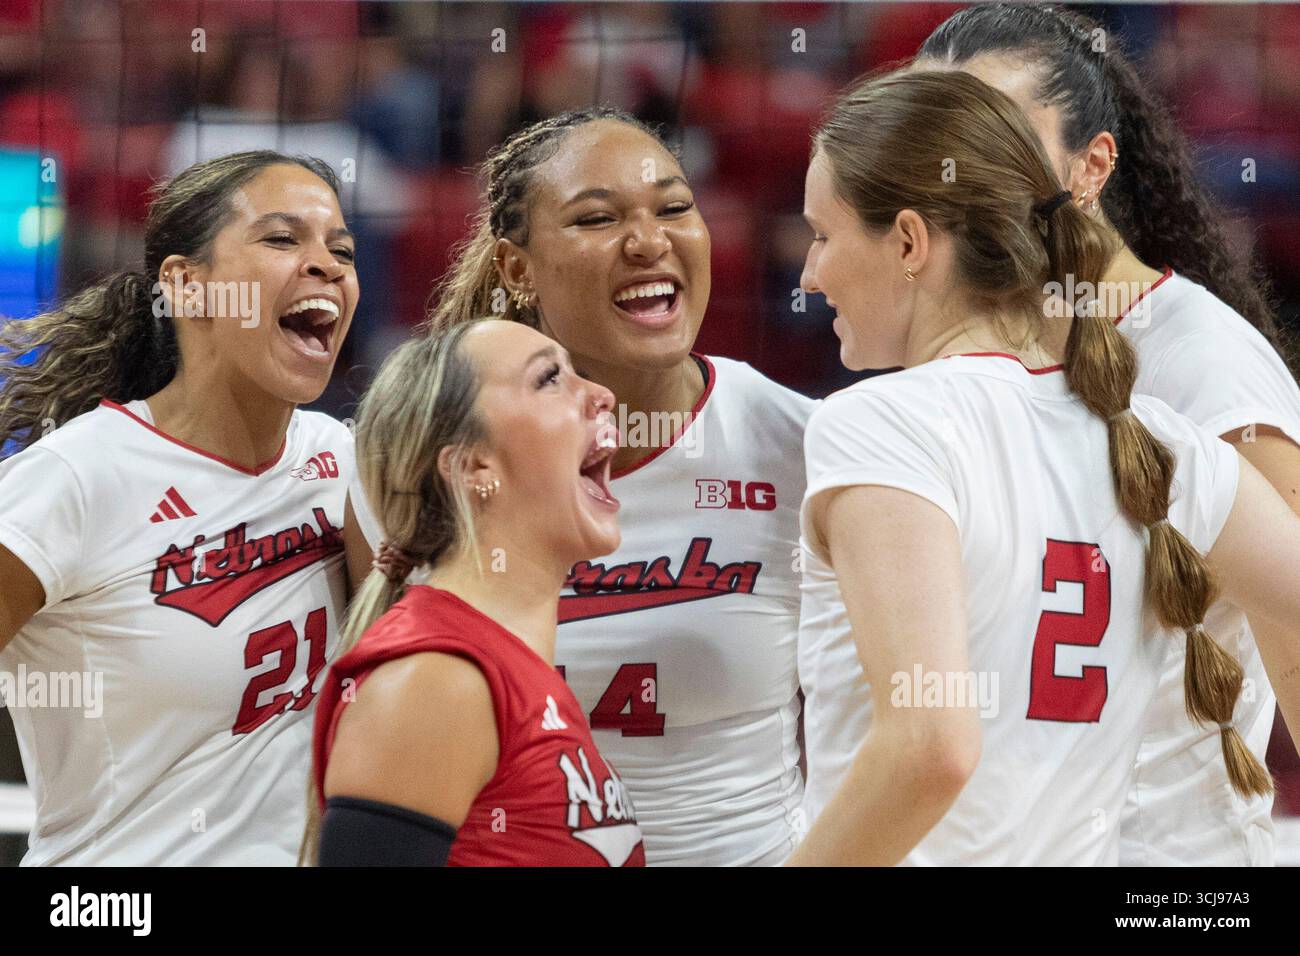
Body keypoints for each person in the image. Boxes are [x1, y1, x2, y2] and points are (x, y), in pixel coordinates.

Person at [788, 69, 1300, 866]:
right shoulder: (1158, 440)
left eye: (823, 234)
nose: (808, 274)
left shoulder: (879, 424)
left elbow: (933, 748)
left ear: (911, 242)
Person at [351, 108, 812, 865]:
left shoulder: (799, 446)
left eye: (673, 207)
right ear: (516, 269)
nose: (648, 240)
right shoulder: (419, 463)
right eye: (596, 218)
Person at [0, 150, 362, 864]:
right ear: (188, 286)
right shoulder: (77, 477)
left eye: (341, 249)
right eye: (283, 239)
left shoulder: (349, 463)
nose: (327, 265)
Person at [309, 318, 645, 867]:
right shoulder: (437, 679)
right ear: (472, 466)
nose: (602, 395)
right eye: (550, 379)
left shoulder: (501, 669)